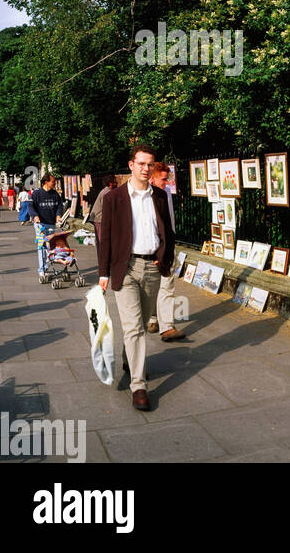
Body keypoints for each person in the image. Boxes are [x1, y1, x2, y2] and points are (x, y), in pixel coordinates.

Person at [97, 145, 174, 411]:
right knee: (133, 328)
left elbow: (168, 232)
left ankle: (130, 360)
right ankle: (138, 385)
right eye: (141, 163)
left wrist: (164, 258)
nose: (145, 168)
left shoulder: (161, 196)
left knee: (140, 324)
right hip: (125, 268)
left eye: (150, 164)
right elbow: (105, 237)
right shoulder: (114, 198)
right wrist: (103, 273)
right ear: (131, 165)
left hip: (151, 268)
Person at [147, 162, 184, 342]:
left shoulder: (166, 192)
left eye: (167, 179)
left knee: (167, 286)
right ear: (152, 178)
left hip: (167, 245)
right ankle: (153, 319)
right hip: (150, 247)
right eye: (163, 179)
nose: (167, 182)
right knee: (152, 287)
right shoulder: (144, 196)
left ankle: (167, 326)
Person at [30, 174, 64, 279]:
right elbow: (30, 206)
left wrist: (58, 215)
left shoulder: (55, 194)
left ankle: (49, 264)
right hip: (40, 225)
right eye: (53, 182)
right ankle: (42, 269)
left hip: (51, 224)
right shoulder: (36, 193)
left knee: (51, 246)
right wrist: (35, 216)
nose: (54, 183)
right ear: (46, 182)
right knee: (42, 246)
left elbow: (59, 205)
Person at [87, 177, 117, 245]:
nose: (116, 184)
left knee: (100, 239)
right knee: (102, 240)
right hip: (99, 218)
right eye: (114, 182)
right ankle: (102, 254)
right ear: (110, 183)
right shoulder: (107, 192)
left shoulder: (106, 191)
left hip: (98, 217)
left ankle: (102, 254)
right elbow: (106, 208)